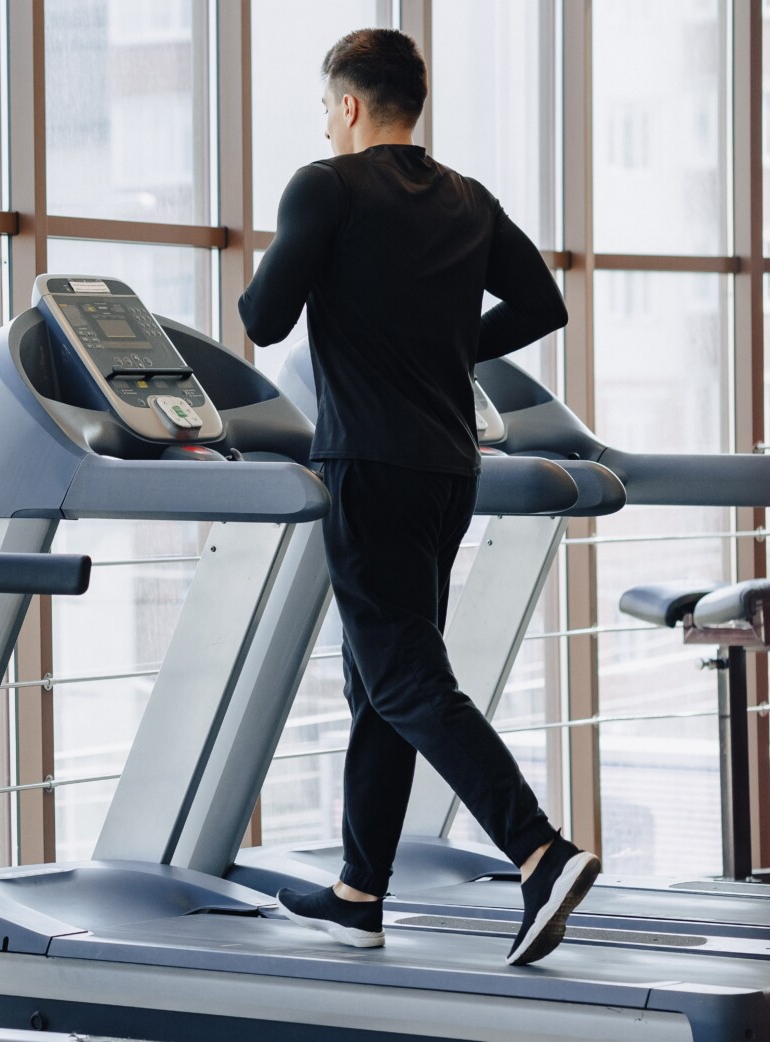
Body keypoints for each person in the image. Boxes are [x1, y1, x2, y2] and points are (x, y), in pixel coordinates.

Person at [239, 28, 596, 967]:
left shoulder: (326, 186)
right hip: (447, 470)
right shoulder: (469, 200)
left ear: (350, 105)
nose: (325, 123)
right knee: (381, 680)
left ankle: (539, 851)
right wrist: (438, 344)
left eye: (326, 108)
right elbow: (542, 307)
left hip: (368, 462)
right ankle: (361, 892)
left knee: (402, 676)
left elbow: (263, 317)